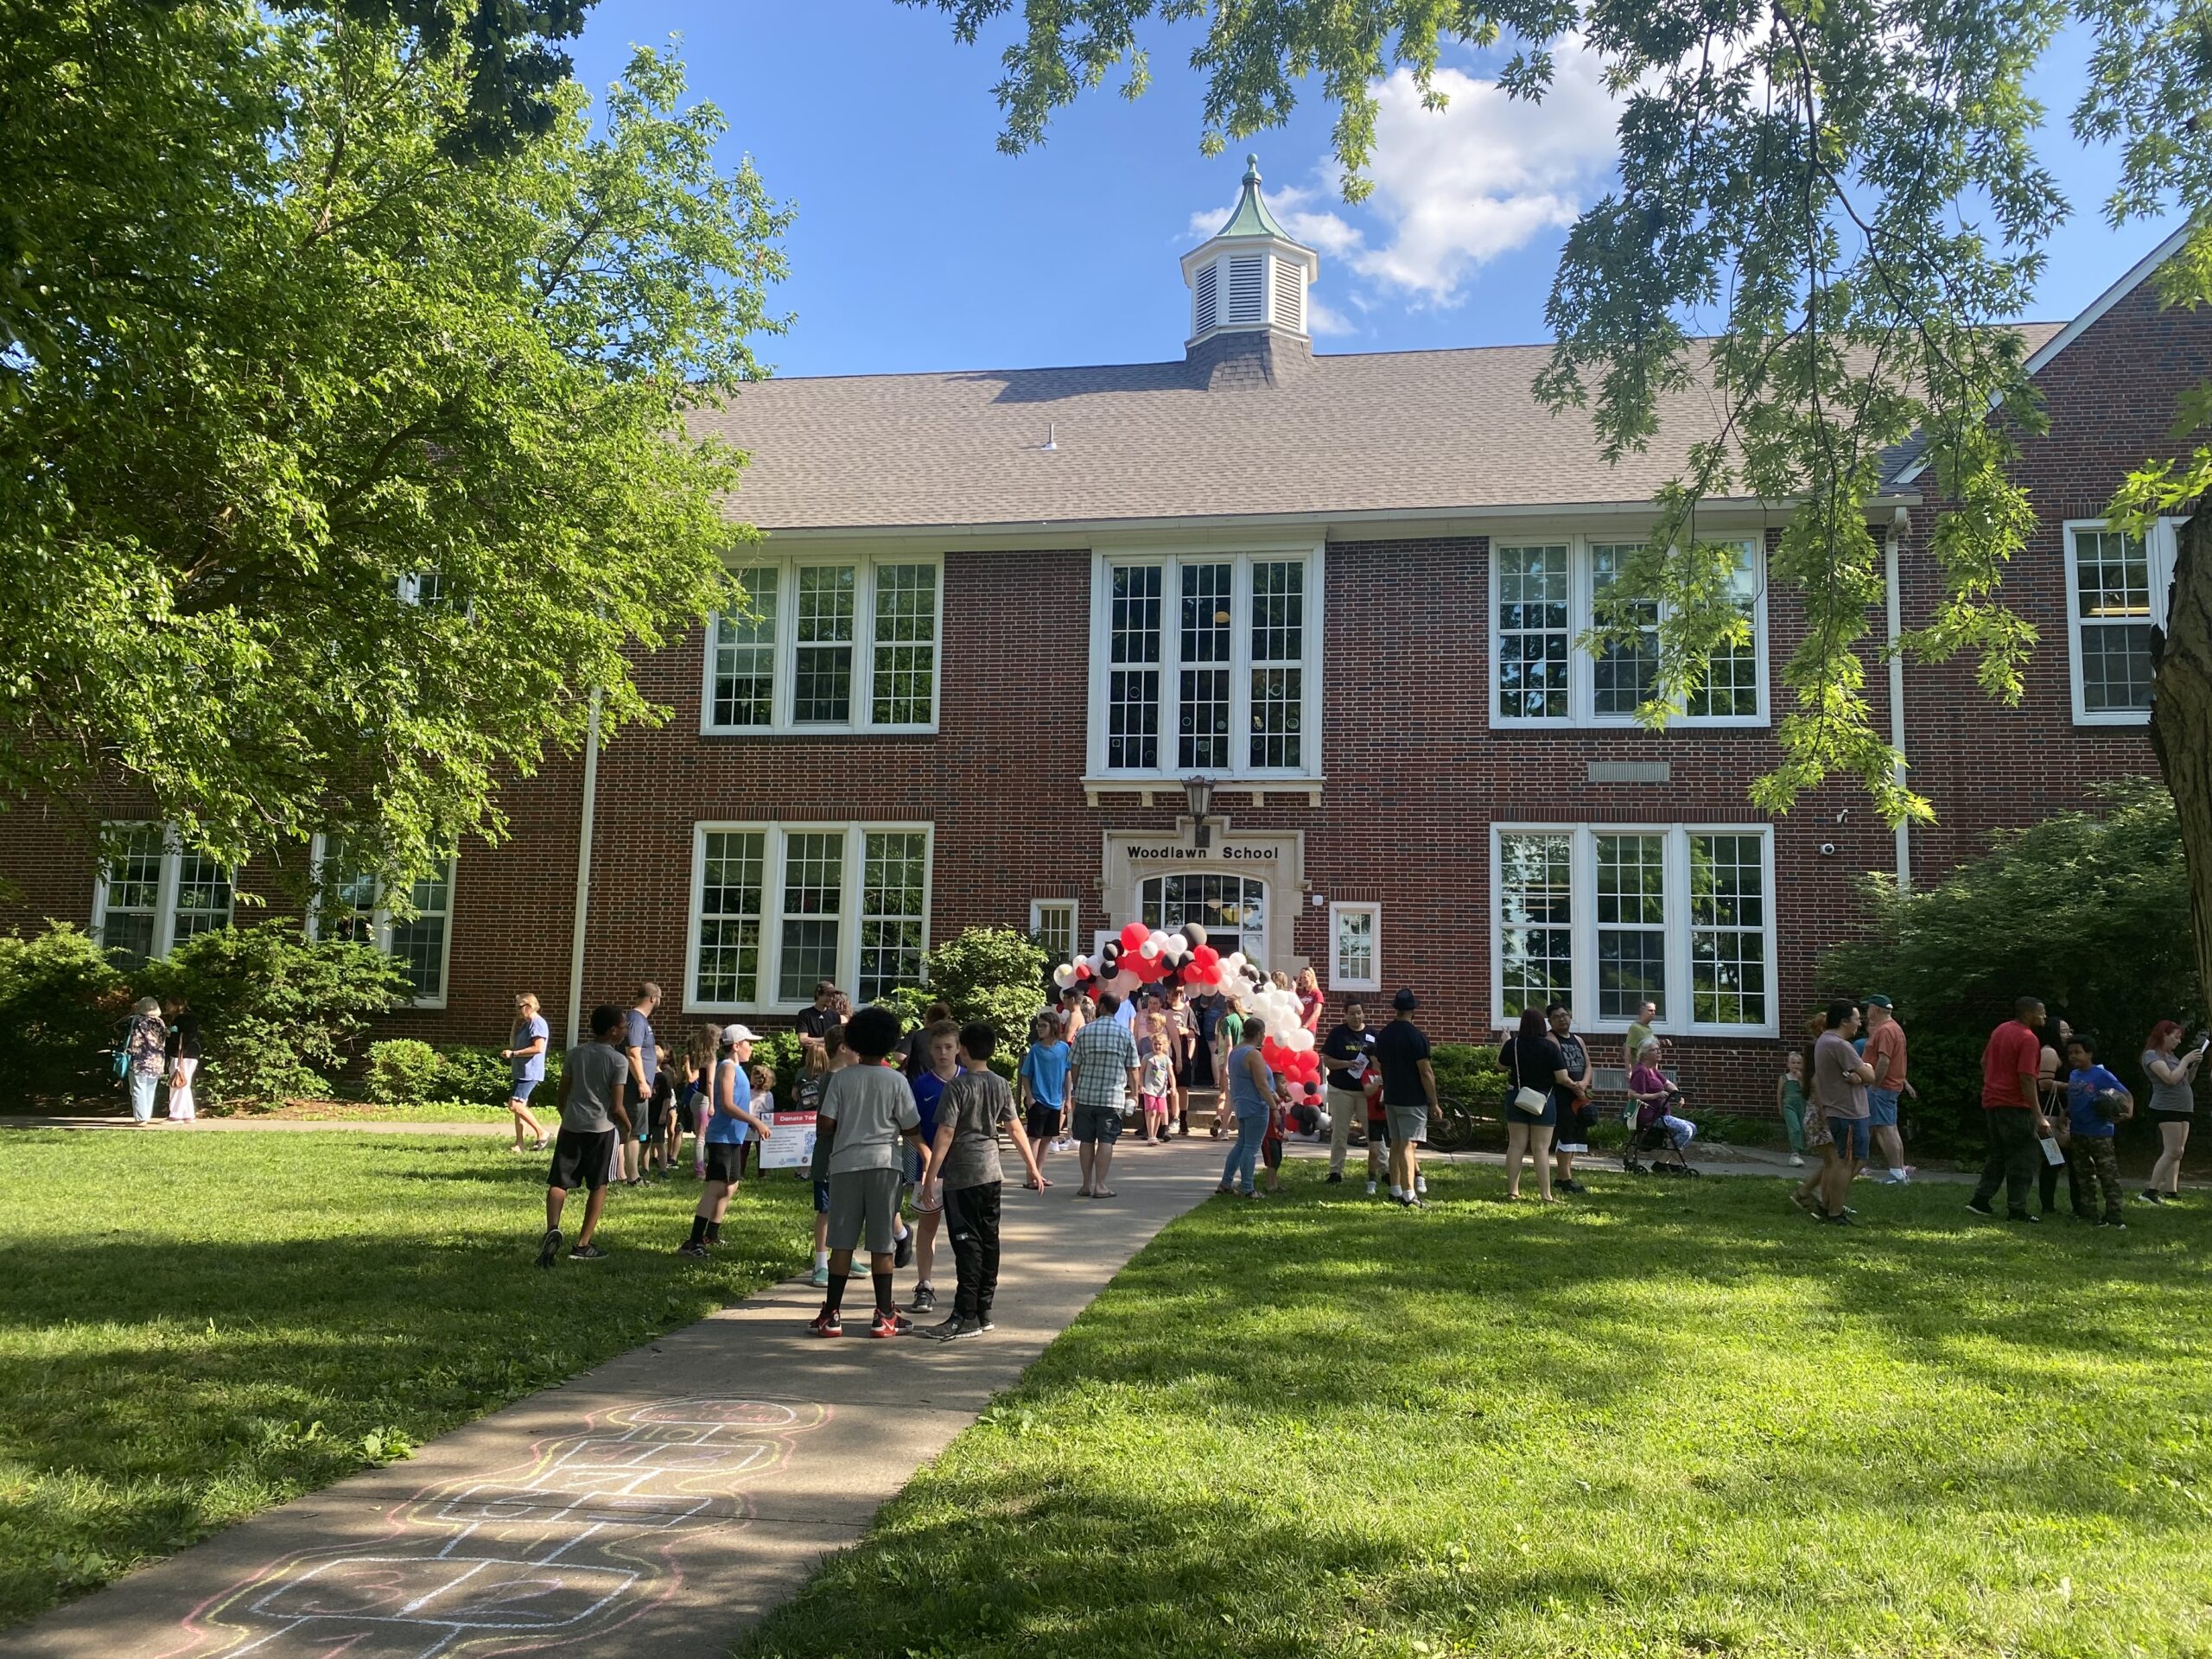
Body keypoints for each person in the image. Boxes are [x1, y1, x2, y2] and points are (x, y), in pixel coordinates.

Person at [918, 1022, 1044, 1339]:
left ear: (963, 1049)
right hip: (991, 1173)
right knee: (989, 1240)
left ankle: (965, 1315)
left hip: (963, 1175)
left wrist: (932, 1174)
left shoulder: (957, 1087)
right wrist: (1033, 1167)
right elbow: (1015, 1128)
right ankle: (984, 1309)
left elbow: (945, 1132)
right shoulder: (1001, 1084)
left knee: (967, 1243)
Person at [810, 1006, 927, 1339]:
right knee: (881, 1243)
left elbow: (826, 1124)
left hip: (845, 1165)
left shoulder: (842, 1078)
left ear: (855, 1041)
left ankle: (832, 1313)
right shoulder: (896, 1080)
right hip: (884, 1165)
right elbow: (911, 1124)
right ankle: (885, 1314)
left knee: (842, 1242)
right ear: (889, 1042)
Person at [539, 1004, 632, 1266]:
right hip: (601, 1130)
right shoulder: (618, 1060)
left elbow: (562, 1091)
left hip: (571, 1125)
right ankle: (582, 1244)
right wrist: (628, 1126)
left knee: (559, 1181)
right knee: (598, 1185)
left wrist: (565, 1113)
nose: (625, 1030)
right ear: (613, 1030)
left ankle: (553, 1228)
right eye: (623, 1026)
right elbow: (617, 1105)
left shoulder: (575, 1053)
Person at [679, 1025, 771, 1257]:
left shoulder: (738, 1069)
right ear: (737, 1046)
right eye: (749, 1043)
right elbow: (727, 1104)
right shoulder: (727, 1068)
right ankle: (693, 1241)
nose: (752, 1047)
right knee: (717, 1186)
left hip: (733, 1137)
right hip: (721, 1136)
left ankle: (712, 1235)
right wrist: (755, 1122)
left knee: (731, 1186)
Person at [1967, 996, 2051, 1223]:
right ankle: (2017, 1209)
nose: (2044, 1016)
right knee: (2023, 1157)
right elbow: (2026, 1077)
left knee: (1998, 1154)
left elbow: (1984, 1061)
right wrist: (2038, 1115)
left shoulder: (2001, 1029)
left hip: (1993, 1101)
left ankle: (1980, 1201)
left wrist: (1993, 1084)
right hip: (2015, 1106)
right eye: (2041, 1012)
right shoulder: (2029, 1039)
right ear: (2028, 1013)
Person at [906, 1020, 960, 1313]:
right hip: (930, 1170)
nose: (943, 1053)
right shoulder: (921, 1084)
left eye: (948, 1047)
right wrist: (924, 1156)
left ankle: (968, 1287)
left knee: (963, 1231)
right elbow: (910, 1128)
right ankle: (924, 1285)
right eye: (938, 1047)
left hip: (964, 1169)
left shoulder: (969, 1080)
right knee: (928, 1227)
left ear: (958, 1049)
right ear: (930, 1049)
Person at [1067, 991, 1141, 1198]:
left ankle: (1085, 1184)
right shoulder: (1125, 1034)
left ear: (1101, 1007)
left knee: (1086, 1140)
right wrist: (1134, 1094)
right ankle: (1100, 1185)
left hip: (1086, 1096)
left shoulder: (1084, 1032)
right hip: (1112, 1096)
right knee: (1106, 1140)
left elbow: (1075, 1064)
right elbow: (1133, 1068)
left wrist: (1077, 1086)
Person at [1374, 989, 1438, 1207]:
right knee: (1408, 1146)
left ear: (1396, 1009)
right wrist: (1434, 1102)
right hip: (1413, 1098)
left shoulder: (1384, 1034)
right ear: (1413, 1010)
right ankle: (1409, 1195)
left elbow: (1379, 1063)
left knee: (1397, 1144)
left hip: (1392, 1095)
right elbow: (1426, 1072)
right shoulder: (1416, 1036)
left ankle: (1394, 1189)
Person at [1811, 1000, 1873, 1224]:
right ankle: (1834, 1212)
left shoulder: (1825, 1041)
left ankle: (1828, 1205)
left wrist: (1859, 1075)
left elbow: (1857, 1076)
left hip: (1843, 1111)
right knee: (1845, 1163)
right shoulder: (1839, 1045)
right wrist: (1867, 1070)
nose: (1860, 1023)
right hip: (1847, 1112)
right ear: (1845, 1021)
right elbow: (1869, 1077)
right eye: (1857, 1019)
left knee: (1849, 1161)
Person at [2063, 1032, 2132, 1228]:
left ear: (2090, 1053)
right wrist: (2065, 1114)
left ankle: (2114, 1216)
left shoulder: (2102, 1075)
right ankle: (2088, 1212)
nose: (2073, 1057)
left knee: (2108, 1175)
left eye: (2078, 1052)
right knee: (2083, 1175)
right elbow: (2075, 1098)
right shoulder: (2074, 1075)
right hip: (2078, 1131)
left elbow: (2125, 1094)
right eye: (2070, 1053)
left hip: (2100, 1133)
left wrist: (2128, 1112)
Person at [1501, 1007, 1569, 1203]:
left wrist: (1505, 1041)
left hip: (1517, 1097)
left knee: (1515, 1145)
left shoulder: (1513, 1045)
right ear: (1543, 1024)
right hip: (1544, 1100)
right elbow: (1562, 1077)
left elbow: (1500, 1066)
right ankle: (1546, 1195)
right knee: (1540, 1148)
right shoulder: (1550, 1047)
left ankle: (1513, 1191)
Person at [803, 1024, 851, 1287]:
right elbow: (827, 1122)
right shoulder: (833, 1079)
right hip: (828, 1157)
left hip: (844, 1156)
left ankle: (842, 1255)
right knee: (826, 1210)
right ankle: (821, 1263)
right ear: (843, 1048)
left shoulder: (844, 1077)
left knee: (845, 1209)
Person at [2141, 1019, 2206, 1205]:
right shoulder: (2152, 1055)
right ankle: (2150, 1191)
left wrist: (2193, 1066)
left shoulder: (2172, 1057)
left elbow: (2185, 1080)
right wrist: (2185, 1060)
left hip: (2183, 1108)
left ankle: (2171, 1190)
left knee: (2179, 1152)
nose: (2179, 1042)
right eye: (2176, 1037)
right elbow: (2169, 1079)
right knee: (2172, 1150)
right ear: (2164, 1035)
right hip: (2166, 1108)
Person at [1217, 1014, 1279, 1198]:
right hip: (1256, 1105)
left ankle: (1226, 1182)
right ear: (1260, 1034)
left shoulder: (1236, 1051)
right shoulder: (1253, 1054)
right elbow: (1261, 1085)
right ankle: (1247, 1187)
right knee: (1251, 1147)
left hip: (1241, 1102)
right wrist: (1274, 1107)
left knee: (1241, 1144)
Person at [2036, 1015, 2088, 1220]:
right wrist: (2074, 1086)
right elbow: (2044, 1083)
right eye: (2064, 1031)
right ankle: (2047, 1205)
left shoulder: (2064, 1054)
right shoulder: (2049, 1052)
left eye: (2070, 1031)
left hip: (2064, 1115)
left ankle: (2076, 1206)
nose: (2069, 1035)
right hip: (2052, 1116)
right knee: (2052, 1162)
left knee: (2071, 1162)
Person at [1319, 1000, 1377, 1185]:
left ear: (1364, 1013)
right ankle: (1335, 1171)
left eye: (1359, 1012)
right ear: (1345, 1015)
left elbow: (1380, 1062)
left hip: (1366, 1092)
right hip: (1341, 1090)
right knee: (1339, 1132)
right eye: (1352, 1013)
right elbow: (1327, 1060)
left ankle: (1384, 1170)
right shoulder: (1338, 1034)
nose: (1356, 1016)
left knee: (1374, 1133)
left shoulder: (1373, 1035)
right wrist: (1347, 1064)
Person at [1861, 995, 1916, 1184]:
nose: (1866, 1012)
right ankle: (1899, 1171)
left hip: (1882, 1086)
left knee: (1886, 1129)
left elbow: (1884, 1060)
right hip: (1891, 1086)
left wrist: (1874, 1084)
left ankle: (1896, 1174)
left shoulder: (1885, 1030)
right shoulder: (1895, 1028)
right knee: (1890, 1127)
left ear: (1875, 1009)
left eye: (1868, 1008)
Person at [1546, 1002, 1594, 1194]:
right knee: (1565, 1136)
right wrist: (1576, 1088)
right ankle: (1566, 1180)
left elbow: (1588, 1066)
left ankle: (1561, 1177)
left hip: (1578, 1093)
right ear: (1550, 1021)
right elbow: (1558, 1071)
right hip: (1562, 1095)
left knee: (1575, 1135)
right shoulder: (1551, 1039)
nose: (1562, 1019)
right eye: (1556, 1017)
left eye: (1564, 1015)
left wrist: (1583, 1084)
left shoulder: (1578, 1040)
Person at [1017, 1014, 1069, 1188]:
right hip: (1039, 1100)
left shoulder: (1063, 1049)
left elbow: (1067, 1073)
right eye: (1038, 1026)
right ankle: (1030, 1176)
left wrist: (1067, 1098)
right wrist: (1030, 1097)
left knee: (1047, 1139)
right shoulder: (1036, 1049)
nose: (1039, 1029)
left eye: (1043, 1026)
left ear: (1053, 1027)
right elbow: (1025, 1074)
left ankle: (1038, 1173)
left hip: (1056, 1100)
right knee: (1034, 1139)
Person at [499, 993, 550, 1154]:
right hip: (521, 1071)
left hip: (530, 1072)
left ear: (529, 1006)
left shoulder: (537, 1023)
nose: (517, 1010)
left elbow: (538, 1048)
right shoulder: (526, 1025)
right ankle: (519, 1144)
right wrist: (515, 1024)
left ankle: (542, 1132)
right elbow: (514, 1043)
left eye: (519, 1006)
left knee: (514, 1105)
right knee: (520, 1107)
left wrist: (514, 1054)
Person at [621, 982, 660, 1185]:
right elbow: (633, 1053)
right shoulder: (636, 1020)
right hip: (634, 1086)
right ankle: (633, 1177)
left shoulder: (641, 1021)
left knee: (633, 1130)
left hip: (639, 1084)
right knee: (633, 1131)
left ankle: (624, 1174)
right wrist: (642, 1082)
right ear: (653, 998)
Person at [123, 997, 167, 1125]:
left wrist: (131, 1012)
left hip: (139, 1059)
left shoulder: (135, 1020)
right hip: (156, 1059)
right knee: (150, 1089)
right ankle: (146, 1115)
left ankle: (141, 1118)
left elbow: (118, 1027)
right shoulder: (160, 1022)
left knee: (138, 1088)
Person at [162, 994, 201, 1124]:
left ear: (176, 1005)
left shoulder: (182, 1019)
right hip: (191, 1054)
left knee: (177, 1083)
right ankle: (188, 1114)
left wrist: (170, 1034)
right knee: (185, 1084)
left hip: (183, 1054)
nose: (166, 1007)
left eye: (169, 1004)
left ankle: (176, 1114)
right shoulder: (190, 1018)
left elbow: (182, 1036)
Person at [1210, 996, 1246, 1137]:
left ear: (1228, 1008)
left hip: (1228, 1058)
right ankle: (1242, 1130)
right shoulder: (1247, 1020)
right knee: (1242, 1095)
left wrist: (1226, 1065)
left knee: (1226, 1094)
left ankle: (1222, 1126)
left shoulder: (1226, 1021)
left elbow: (1228, 1044)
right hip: (1245, 1059)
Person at [1138, 1012, 1176, 1144]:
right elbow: (1141, 1071)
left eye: (1160, 1045)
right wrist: (1140, 1085)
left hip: (1162, 1088)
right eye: (1155, 1044)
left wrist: (1173, 1087)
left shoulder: (1166, 1058)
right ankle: (1151, 1135)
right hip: (1149, 1087)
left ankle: (1157, 1132)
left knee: (1159, 1111)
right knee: (1152, 1111)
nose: (1158, 1047)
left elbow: (1170, 1073)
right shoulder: (1147, 1055)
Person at [795, 980, 842, 1070]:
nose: (831, 999)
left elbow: (837, 1042)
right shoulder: (805, 1014)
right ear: (818, 994)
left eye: (832, 996)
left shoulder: (835, 1016)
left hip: (829, 1064)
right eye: (828, 995)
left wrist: (815, 1043)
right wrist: (827, 1040)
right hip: (810, 1063)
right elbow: (803, 1040)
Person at [1777, 1048, 1809, 1167]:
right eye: (1793, 1063)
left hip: (1801, 1104)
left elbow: (1805, 1092)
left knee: (1801, 1128)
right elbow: (1780, 1094)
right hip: (1788, 1105)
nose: (1796, 1065)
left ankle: (1799, 1151)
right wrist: (1780, 1108)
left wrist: (1801, 1078)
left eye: (1798, 1063)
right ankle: (1794, 1153)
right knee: (1794, 1128)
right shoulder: (1784, 1078)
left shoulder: (1803, 1078)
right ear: (1788, 1064)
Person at [1624, 999, 1662, 1074]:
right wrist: (1629, 1071)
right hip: (1641, 1071)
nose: (1653, 1013)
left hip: (1651, 1071)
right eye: (1650, 1010)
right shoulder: (1635, 1028)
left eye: (1654, 1011)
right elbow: (1628, 1051)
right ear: (1642, 1012)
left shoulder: (1648, 1029)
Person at [1294, 967, 1324, 1035]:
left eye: (1305, 977)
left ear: (1311, 978)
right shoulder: (1299, 992)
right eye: (1301, 978)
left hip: (1309, 1028)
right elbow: (1291, 992)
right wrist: (1298, 979)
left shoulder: (1317, 993)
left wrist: (1305, 1025)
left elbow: (1316, 1013)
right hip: (1297, 1027)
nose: (1303, 980)